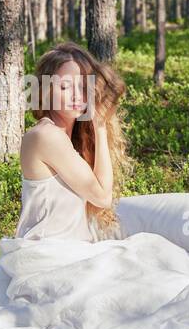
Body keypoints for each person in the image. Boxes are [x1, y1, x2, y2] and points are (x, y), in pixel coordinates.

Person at [16, 42, 128, 243]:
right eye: (65, 86)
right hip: (50, 254)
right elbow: (103, 198)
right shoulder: (46, 136)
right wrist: (100, 125)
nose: (77, 96)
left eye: (83, 87)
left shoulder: (71, 136)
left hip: (72, 249)